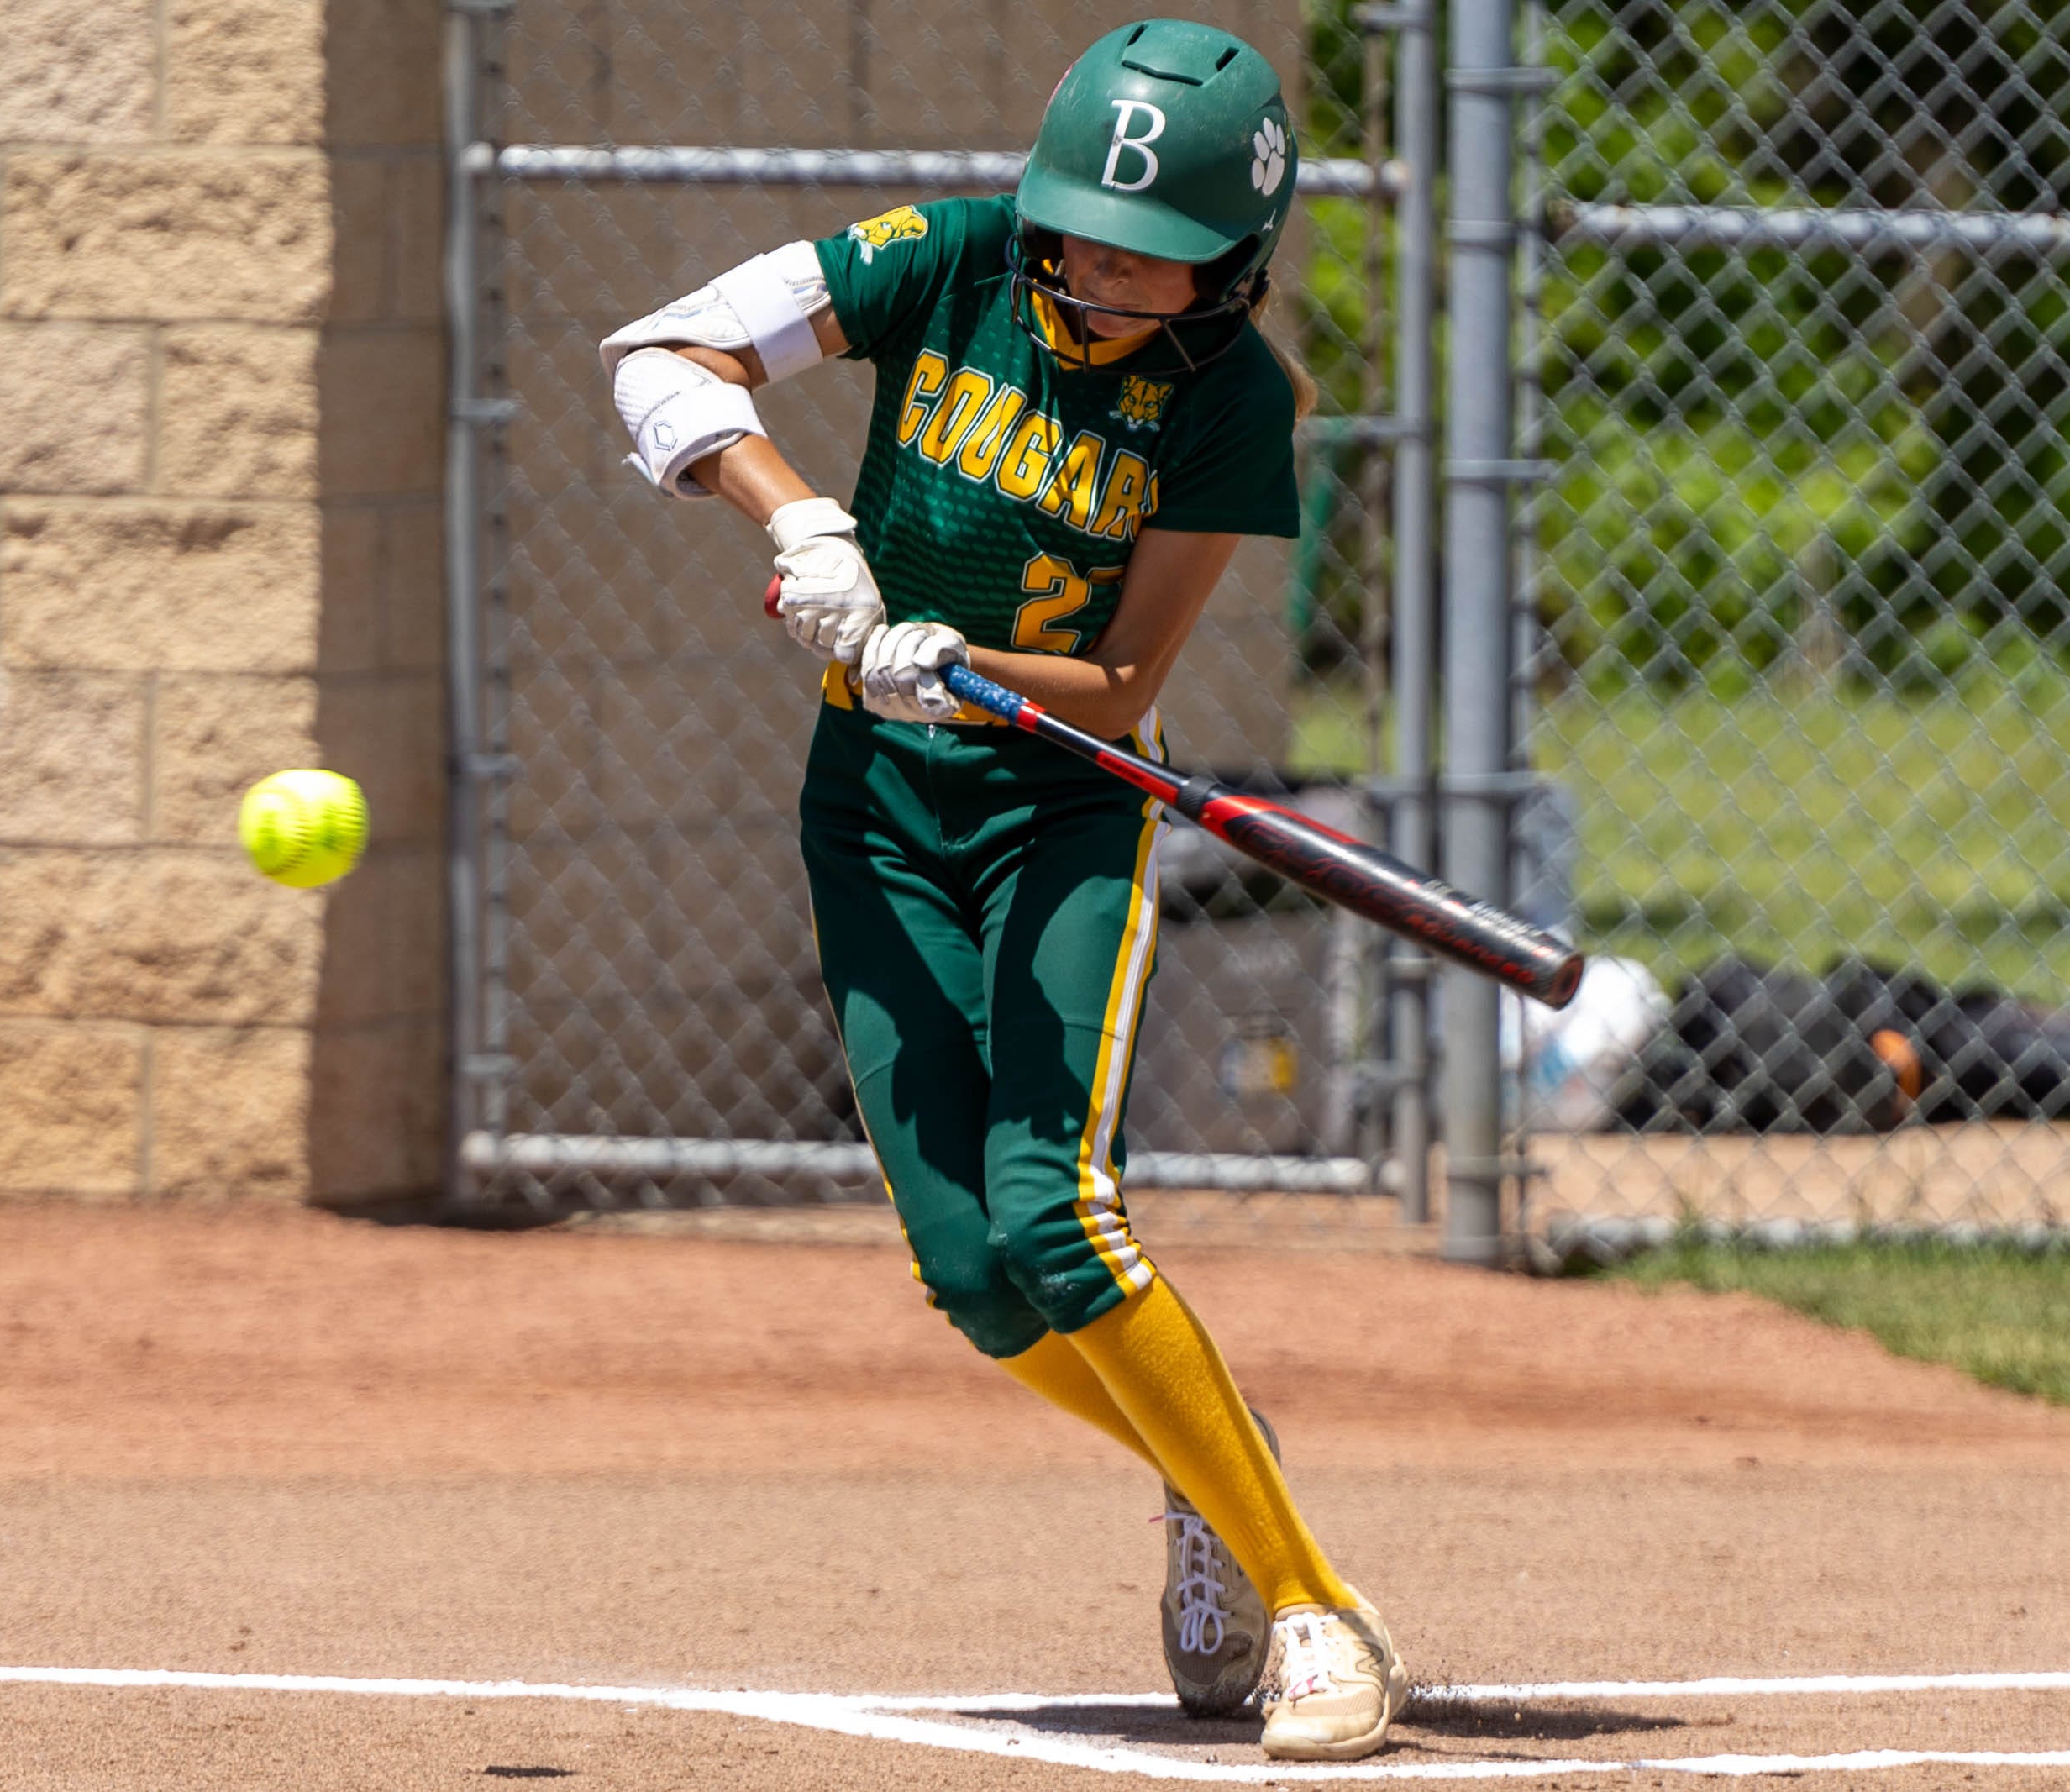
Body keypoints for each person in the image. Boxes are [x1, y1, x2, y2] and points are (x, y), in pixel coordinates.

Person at [596, 18, 1409, 1764]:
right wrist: (803, 523)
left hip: (1063, 810)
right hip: (871, 804)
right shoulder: (952, 258)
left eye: (1154, 255)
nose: (1104, 273)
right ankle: (1213, 1458)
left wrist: (956, 657)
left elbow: (1121, 688)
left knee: (1054, 1210)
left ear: (1230, 265)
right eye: (1086, 232)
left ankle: (1315, 1606)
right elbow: (662, 358)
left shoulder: (1233, 402)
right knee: (971, 1275)